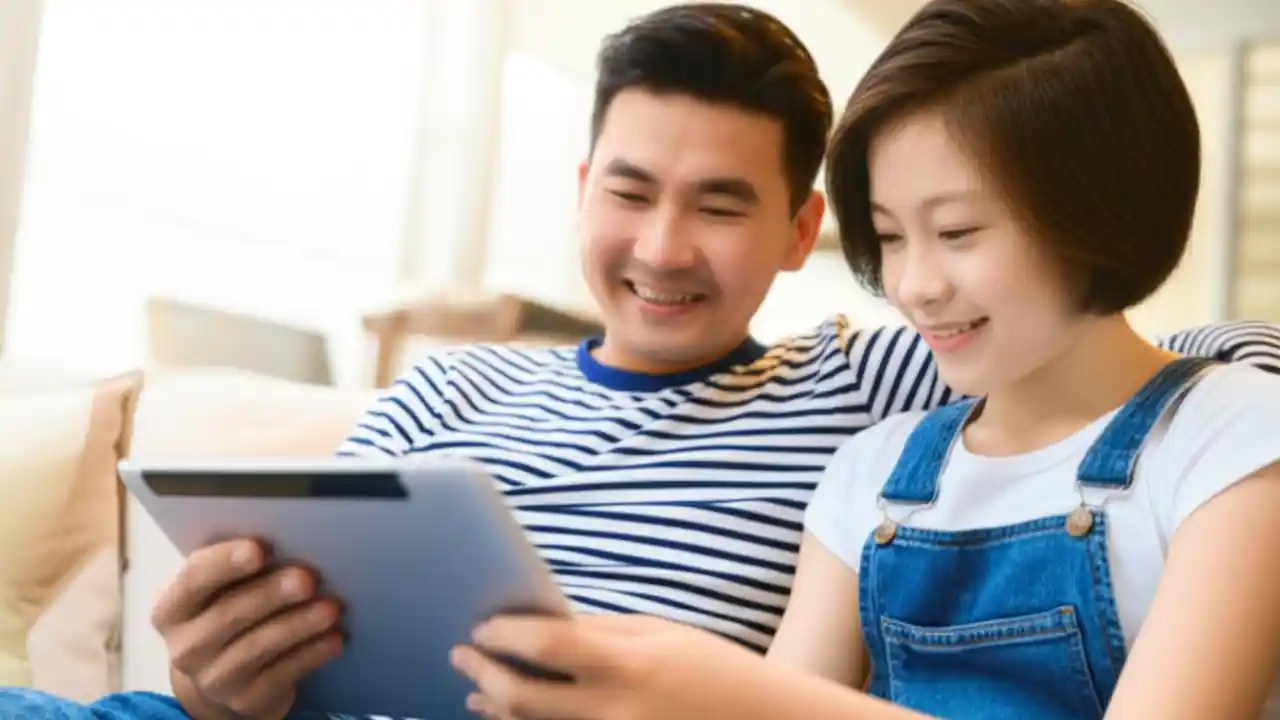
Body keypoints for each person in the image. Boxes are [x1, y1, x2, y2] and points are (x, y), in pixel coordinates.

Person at [4, 2, 1277, 719]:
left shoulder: (868, 389)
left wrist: (696, 685)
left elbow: (1127, 376)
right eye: (892, 238)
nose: (661, 246)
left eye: (719, 206)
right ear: (580, 191)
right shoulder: (450, 385)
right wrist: (219, 676)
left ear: (793, 235)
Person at [449, 0, 1280, 718]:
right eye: (888, 237)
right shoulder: (873, 470)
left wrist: (733, 696)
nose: (914, 285)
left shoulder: (1231, 440)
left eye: (957, 232)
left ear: (1103, 210)